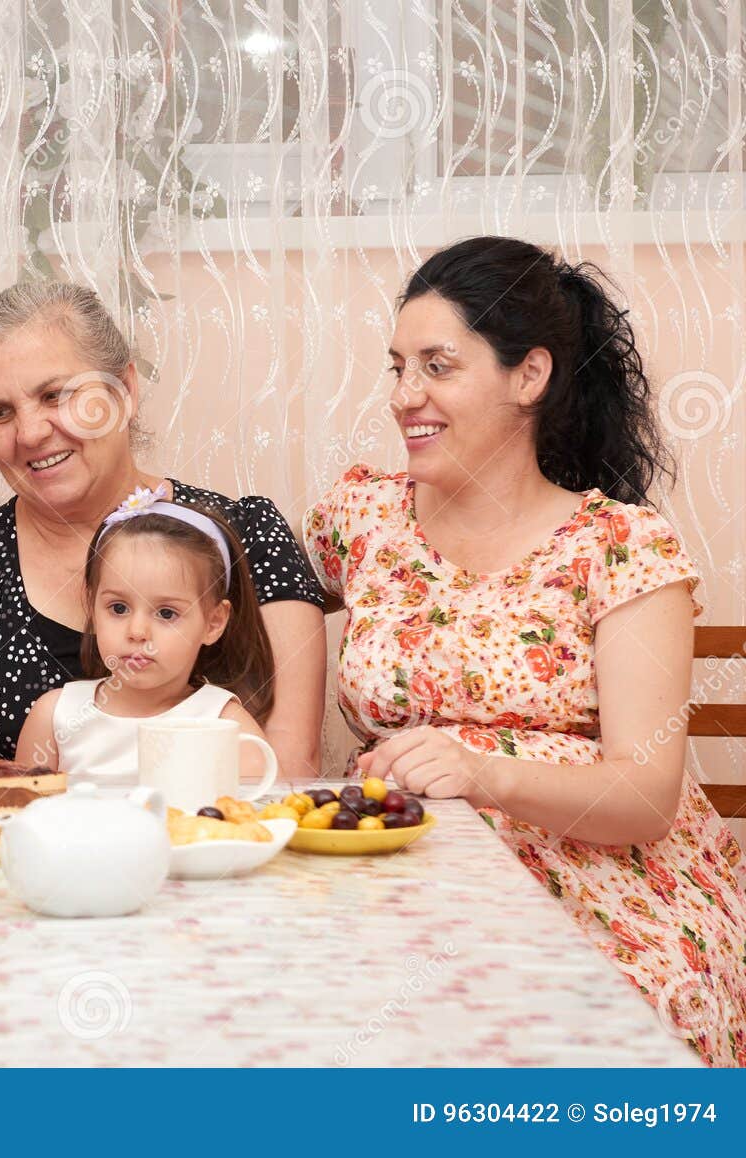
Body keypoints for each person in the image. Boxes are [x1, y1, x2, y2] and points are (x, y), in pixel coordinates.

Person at [305, 235, 745, 1066]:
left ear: (529, 377)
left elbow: (647, 796)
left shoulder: (618, 546)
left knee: (595, 1036)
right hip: (408, 870)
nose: (406, 396)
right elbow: (251, 615)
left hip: (602, 884)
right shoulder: (360, 519)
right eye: (397, 367)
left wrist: (482, 774)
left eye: (438, 366)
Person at [0, 281, 326, 772]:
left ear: (125, 391)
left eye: (55, 395)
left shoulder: (241, 538)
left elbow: (287, 776)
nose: (29, 433)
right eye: (0, 412)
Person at [15, 484, 274, 786]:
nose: (137, 632)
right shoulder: (54, 716)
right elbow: (21, 818)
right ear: (92, 606)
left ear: (213, 623)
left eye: (166, 613)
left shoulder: (225, 725)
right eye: (119, 608)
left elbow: (253, 822)